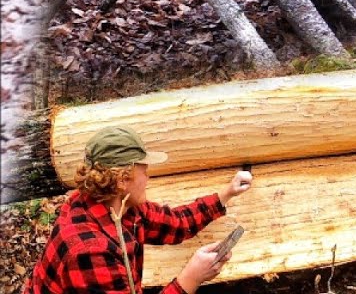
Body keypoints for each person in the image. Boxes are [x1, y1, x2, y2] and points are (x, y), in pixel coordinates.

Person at [24, 126, 253, 294]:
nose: (148, 176)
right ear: (123, 180)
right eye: (144, 170)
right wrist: (190, 278)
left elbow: (176, 222)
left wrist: (226, 194)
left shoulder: (119, 207)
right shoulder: (91, 251)